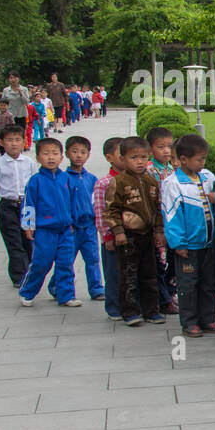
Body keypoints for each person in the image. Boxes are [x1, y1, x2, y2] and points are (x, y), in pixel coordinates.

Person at [161, 134, 215, 337]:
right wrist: (178, 243)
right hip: (188, 246)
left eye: (204, 158)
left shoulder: (208, 178)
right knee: (188, 284)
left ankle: (208, 318)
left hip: (208, 243)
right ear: (183, 159)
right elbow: (171, 216)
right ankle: (189, 321)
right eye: (199, 159)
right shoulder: (173, 184)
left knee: (208, 283)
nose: (202, 163)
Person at [105, 136, 167, 326]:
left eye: (143, 157)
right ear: (123, 159)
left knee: (150, 273)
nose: (139, 162)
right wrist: (118, 231)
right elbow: (111, 209)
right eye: (134, 157)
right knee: (128, 275)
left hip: (147, 235)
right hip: (128, 236)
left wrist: (158, 231)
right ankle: (130, 311)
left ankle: (151, 310)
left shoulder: (150, 181)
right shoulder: (119, 182)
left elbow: (157, 208)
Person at [17, 139, 78, 307]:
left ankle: (66, 295)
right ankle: (27, 292)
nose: (50, 157)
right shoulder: (35, 181)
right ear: (38, 158)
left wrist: (73, 220)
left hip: (65, 229)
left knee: (65, 263)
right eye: (45, 153)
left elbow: (73, 201)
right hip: (45, 230)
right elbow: (29, 203)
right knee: (41, 263)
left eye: (54, 153)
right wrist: (28, 225)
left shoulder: (66, 178)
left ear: (61, 157)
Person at [0, 126, 36, 285]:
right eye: (10, 140)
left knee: (28, 241)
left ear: (24, 141)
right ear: (1, 142)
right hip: (7, 207)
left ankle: (31, 272)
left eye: (17, 140)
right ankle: (20, 276)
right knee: (14, 242)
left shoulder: (29, 162)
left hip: (27, 207)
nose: (14, 144)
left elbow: (35, 184)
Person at [64, 136, 105, 303]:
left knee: (93, 259)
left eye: (83, 152)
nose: (78, 156)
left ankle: (96, 288)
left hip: (89, 226)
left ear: (88, 155)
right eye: (74, 152)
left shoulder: (92, 179)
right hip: (72, 227)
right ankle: (58, 286)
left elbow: (97, 201)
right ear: (67, 153)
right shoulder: (63, 178)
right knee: (67, 260)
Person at [145, 127, 180, 314]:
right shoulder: (150, 171)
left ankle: (170, 294)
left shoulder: (172, 169)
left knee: (173, 261)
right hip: (158, 224)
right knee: (160, 261)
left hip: (173, 224)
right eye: (161, 147)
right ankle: (163, 298)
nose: (166, 151)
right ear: (150, 150)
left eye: (169, 146)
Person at [93, 138, 125, 321]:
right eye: (121, 155)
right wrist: (107, 236)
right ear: (109, 157)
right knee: (113, 273)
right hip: (112, 237)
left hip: (133, 235)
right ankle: (114, 307)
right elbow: (100, 212)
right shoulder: (104, 183)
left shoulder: (136, 179)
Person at [2, 72, 28, 143]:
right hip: (10, 114)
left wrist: (21, 93)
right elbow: (3, 102)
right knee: (10, 133)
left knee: (20, 133)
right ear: (9, 79)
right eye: (11, 78)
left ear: (18, 79)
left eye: (15, 77)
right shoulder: (6, 90)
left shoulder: (24, 89)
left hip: (21, 114)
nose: (13, 80)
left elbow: (26, 102)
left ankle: (20, 148)